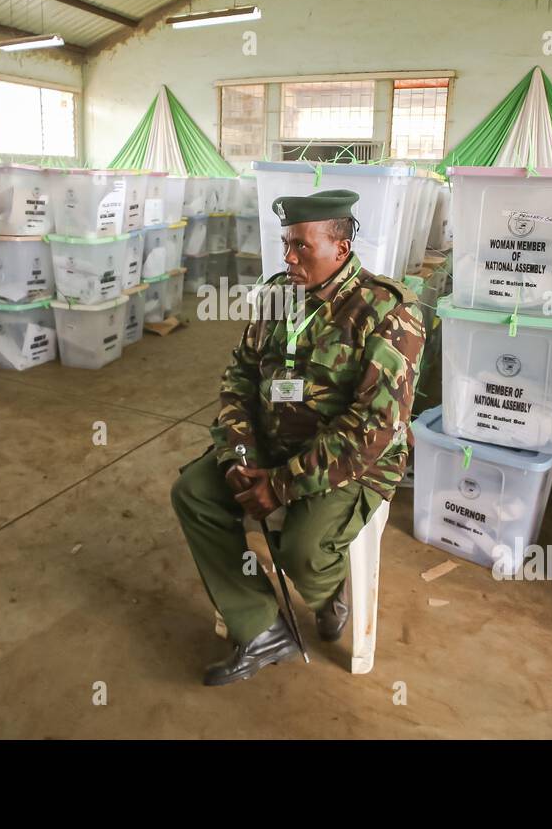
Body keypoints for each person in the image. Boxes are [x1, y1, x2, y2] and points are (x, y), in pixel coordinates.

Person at [170, 188, 426, 685]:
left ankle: (330, 594)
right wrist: (238, 454)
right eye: (285, 243)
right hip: (269, 443)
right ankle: (261, 626)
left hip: (353, 463)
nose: (287, 257)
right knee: (196, 493)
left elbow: (373, 429)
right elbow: (240, 377)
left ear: (340, 248)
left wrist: (280, 485)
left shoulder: (388, 312)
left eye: (301, 247)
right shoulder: (275, 295)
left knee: (303, 552)